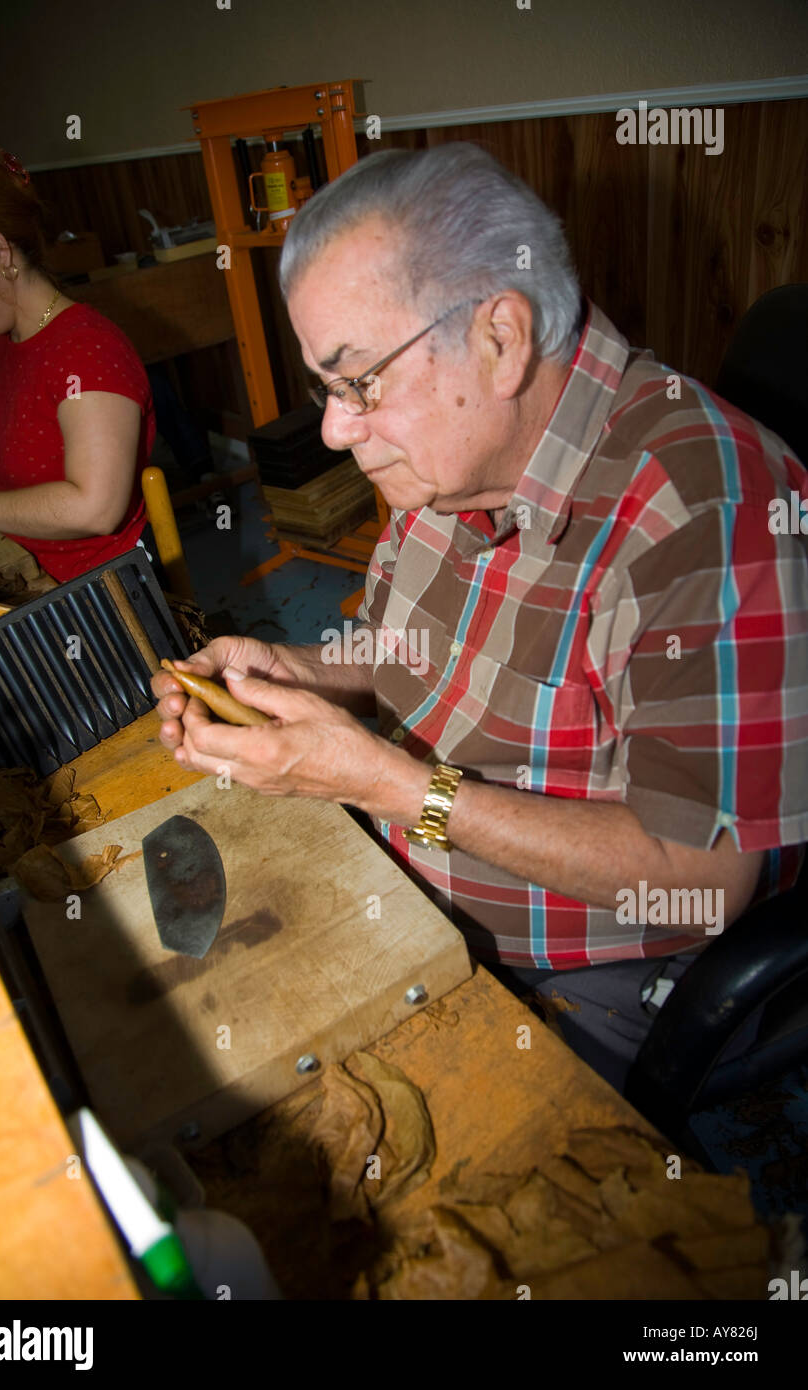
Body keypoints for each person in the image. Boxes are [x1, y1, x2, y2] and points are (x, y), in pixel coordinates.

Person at [152, 143, 808, 1094]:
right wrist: (290, 671)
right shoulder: (442, 455)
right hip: (413, 868)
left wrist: (390, 785)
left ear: (501, 337)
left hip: (598, 969)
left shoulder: (705, 510)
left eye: (357, 382)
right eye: (324, 389)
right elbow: (399, 650)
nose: (336, 430)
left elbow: (695, 878)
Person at [0, 138, 152, 587]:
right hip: (29, 567)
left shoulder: (87, 350)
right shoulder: (12, 339)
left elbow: (96, 507)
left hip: (100, 590)